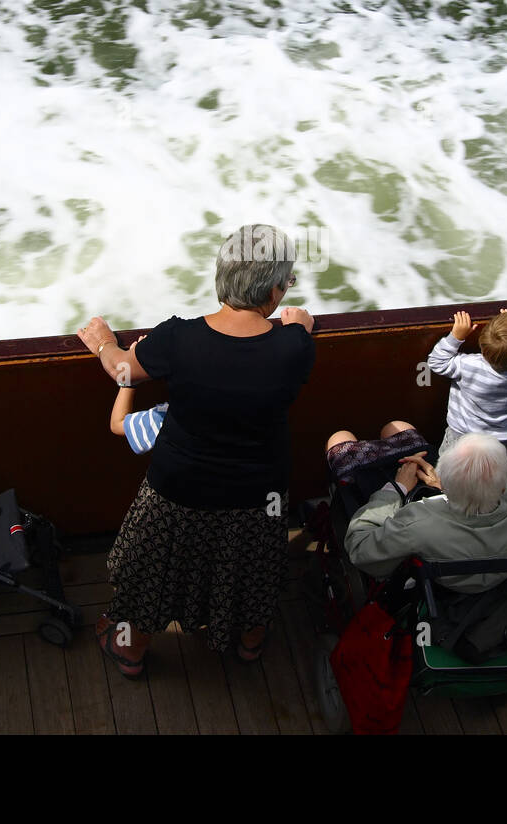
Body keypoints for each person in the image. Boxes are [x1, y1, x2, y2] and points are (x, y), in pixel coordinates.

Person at [77, 224, 315, 677]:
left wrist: (105, 342)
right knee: (251, 573)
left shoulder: (178, 338)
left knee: (156, 575)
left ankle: (130, 652)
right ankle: (249, 643)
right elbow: (294, 334)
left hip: (178, 490)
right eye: (287, 283)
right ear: (273, 290)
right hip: (257, 495)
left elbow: (122, 369)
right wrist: (299, 325)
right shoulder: (294, 347)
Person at [340, 429, 507, 593]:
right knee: (399, 429)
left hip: (436, 593)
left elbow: (360, 549)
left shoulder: (418, 523)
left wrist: (396, 489)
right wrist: (447, 487)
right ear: (503, 486)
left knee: (343, 438)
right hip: (495, 588)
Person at [427, 308, 507, 461]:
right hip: (499, 441)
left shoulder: (469, 366)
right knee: (488, 475)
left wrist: (456, 337)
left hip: (461, 435)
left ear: (482, 346)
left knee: (448, 470)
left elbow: (436, 362)